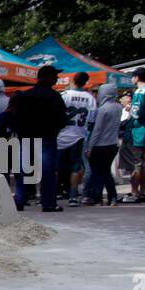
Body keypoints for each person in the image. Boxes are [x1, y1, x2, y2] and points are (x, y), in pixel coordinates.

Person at [6, 65, 67, 211]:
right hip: (46, 138)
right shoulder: (54, 96)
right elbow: (62, 119)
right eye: (55, 76)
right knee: (47, 171)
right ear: (48, 77)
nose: (57, 78)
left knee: (23, 170)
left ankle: (19, 200)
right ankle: (48, 203)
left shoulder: (25, 96)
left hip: (26, 138)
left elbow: (14, 117)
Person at [58, 71, 96, 206]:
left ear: (73, 80)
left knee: (57, 167)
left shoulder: (65, 95)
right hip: (79, 134)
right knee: (76, 167)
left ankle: (54, 192)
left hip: (61, 135)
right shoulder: (90, 98)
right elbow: (91, 120)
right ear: (86, 82)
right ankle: (73, 196)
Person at [125, 66, 145, 202]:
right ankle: (142, 191)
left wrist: (129, 108)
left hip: (138, 130)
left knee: (136, 163)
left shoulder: (140, 92)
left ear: (136, 77)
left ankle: (134, 192)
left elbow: (136, 113)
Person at [85, 83, 121, 206]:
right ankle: (113, 197)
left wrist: (90, 146)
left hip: (99, 145)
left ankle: (97, 198)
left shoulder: (102, 109)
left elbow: (97, 130)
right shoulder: (118, 107)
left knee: (97, 173)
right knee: (106, 172)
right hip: (113, 144)